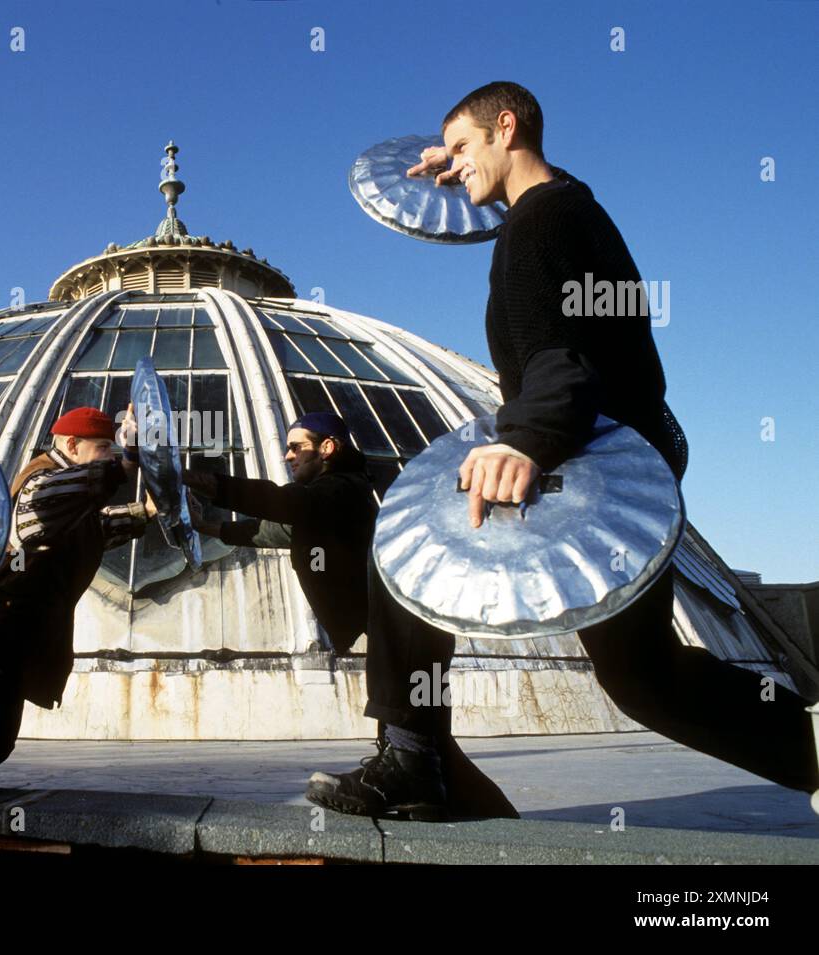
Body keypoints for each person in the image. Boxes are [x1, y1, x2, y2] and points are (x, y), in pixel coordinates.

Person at [307, 82, 819, 818]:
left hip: (581, 449)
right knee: (643, 676)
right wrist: (458, 173)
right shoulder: (568, 208)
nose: (453, 165)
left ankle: (417, 760)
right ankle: (807, 748)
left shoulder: (538, 228)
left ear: (505, 127)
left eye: (462, 148)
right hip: (625, 455)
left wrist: (526, 441)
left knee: (407, 545)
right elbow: (573, 325)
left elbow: (561, 355)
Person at [185, 412, 517, 820]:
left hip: (413, 628)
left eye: (297, 446)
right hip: (403, 631)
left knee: (417, 732)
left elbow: (285, 504)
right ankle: (434, 796)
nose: (288, 455)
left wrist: (207, 482)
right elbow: (274, 530)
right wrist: (208, 526)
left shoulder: (343, 488)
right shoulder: (325, 501)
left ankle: (415, 785)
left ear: (327, 448)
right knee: (427, 739)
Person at [0, 405, 153, 794]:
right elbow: (44, 508)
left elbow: (90, 528)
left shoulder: (67, 497)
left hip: (13, 648)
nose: (108, 454)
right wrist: (123, 465)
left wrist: (146, 512)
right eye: (103, 447)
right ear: (72, 445)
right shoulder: (40, 481)